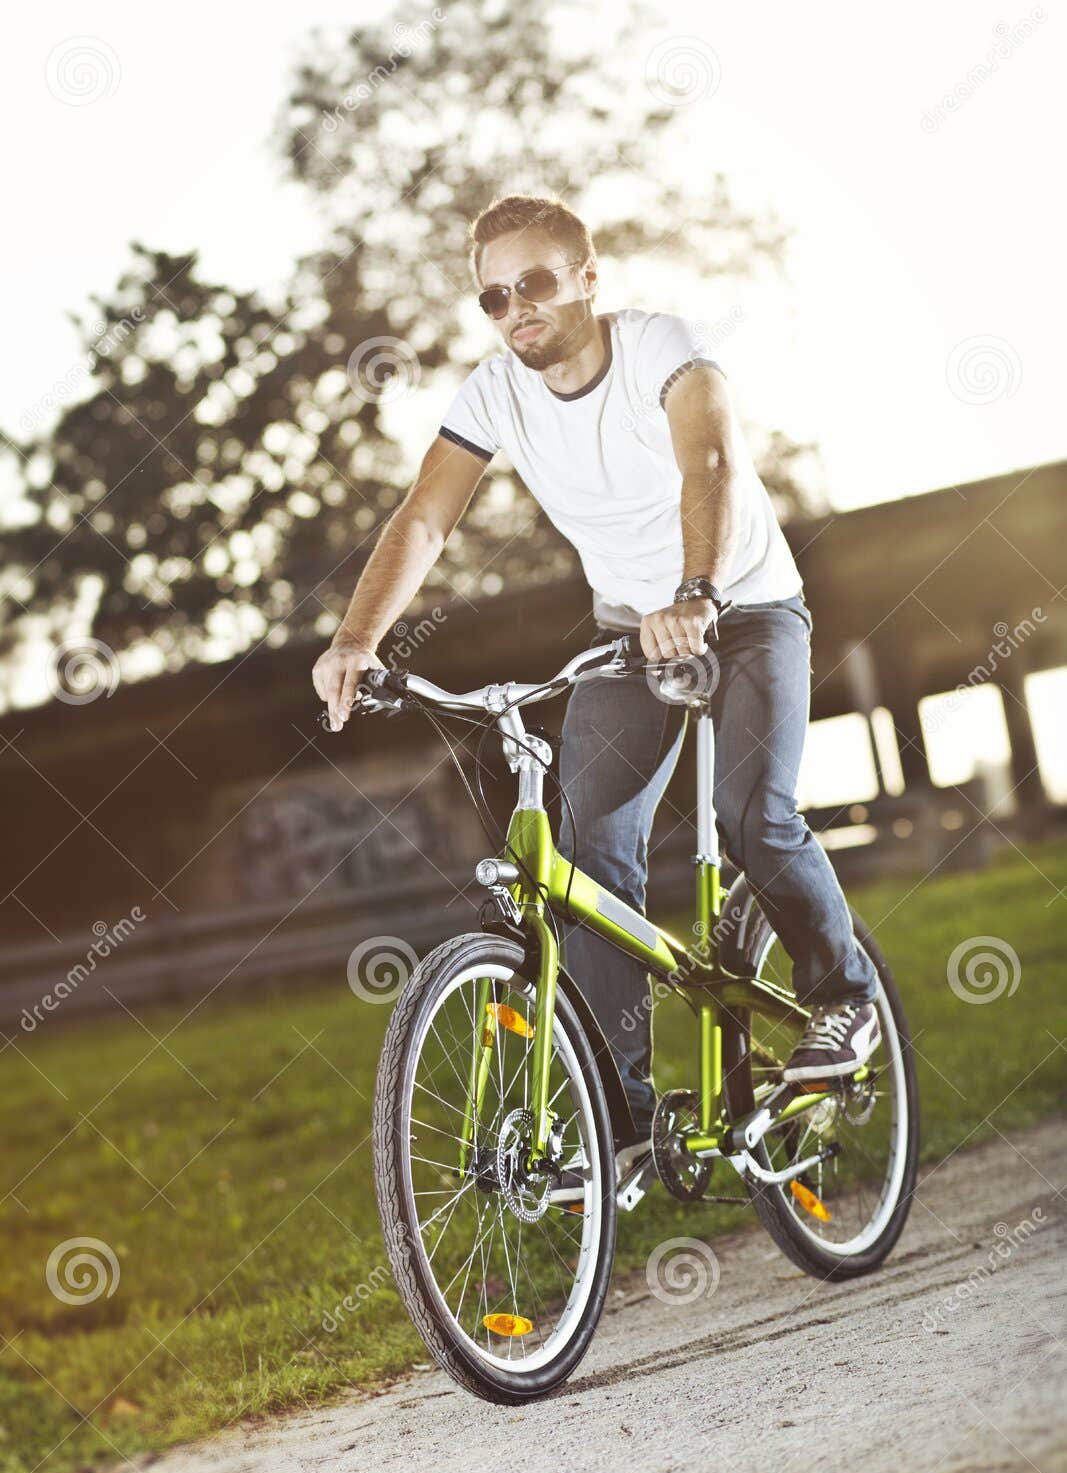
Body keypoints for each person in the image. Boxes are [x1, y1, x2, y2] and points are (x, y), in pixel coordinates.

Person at [313, 193, 880, 1138]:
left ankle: (844, 997)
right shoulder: (493, 392)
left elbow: (709, 464)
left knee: (751, 813)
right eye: (492, 297)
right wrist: (358, 637)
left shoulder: (662, 347)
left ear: (586, 279)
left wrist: (695, 590)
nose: (515, 309)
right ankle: (622, 1109)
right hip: (627, 631)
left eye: (533, 283)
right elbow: (423, 517)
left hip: (741, 608)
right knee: (587, 860)